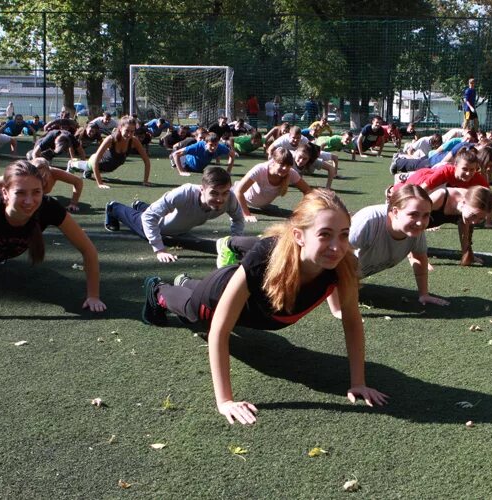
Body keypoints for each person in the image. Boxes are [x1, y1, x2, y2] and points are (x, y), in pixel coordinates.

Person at [141, 188, 388, 424]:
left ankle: (186, 282)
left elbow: (352, 322)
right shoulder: (265, 257)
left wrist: (359, 383)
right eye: (325, 234)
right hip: (218, 294)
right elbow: (219, 330)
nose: (337, 246)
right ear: (299, 236)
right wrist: (225, 401)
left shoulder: (343, 264)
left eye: (344, 234)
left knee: (198, 293)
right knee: (193, 313)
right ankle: (159, 290)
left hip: (256, 310)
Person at [0, 160, 106, 323]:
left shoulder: (49, 207)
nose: (29, 201)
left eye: (36, 192)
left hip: (5, 248)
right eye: (20, 193)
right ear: (5, 193)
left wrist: (93, 296)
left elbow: (88, 249)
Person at [325, 184, 449, 318]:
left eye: (426, 215)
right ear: (395, 212)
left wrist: (423, 294)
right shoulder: (369, 221)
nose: (420, 222)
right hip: (314, 276)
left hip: (347, 282)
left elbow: (419, 258)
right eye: (413, 214)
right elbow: (330, 261)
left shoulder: (414, 230)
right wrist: (337, 310)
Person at [104, 166, 244, 262]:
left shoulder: (230, 198)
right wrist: (159, 249)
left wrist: (235, 243)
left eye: (225, 193)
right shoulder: (184, 194)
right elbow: (149, 217)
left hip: (176, 222)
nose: (220, 199)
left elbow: (238, 219)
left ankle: (139, 205)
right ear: (202, 189)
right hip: (161, 225)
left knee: (161, 216)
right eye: (214, 193)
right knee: (144, 224)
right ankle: (113, 208)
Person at [66, 115, 152, 189]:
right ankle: (72, 164)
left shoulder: (134, 140)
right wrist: (100, 183)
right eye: (127, 131)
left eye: (132, 131)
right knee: (87, 166)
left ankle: (88, 172)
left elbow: (146, 161)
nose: (129, 134)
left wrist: (145, 181)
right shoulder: (110, 139)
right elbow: (96, 161)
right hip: (94, 162)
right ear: (120, 128)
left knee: (95, 169)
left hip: (107, 168)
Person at [233, 147, 311, 223]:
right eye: (282, 164)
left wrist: (305, 209)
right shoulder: (260, 169)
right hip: (240, 197)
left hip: (261, 203)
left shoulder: (291, 172)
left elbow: (308, 191)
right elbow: (238, 191)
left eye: (288, 165)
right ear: (273, 162)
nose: (285, 168)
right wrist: (246, 215)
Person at [425, 185, 492, 266]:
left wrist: (468, 254)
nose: (474, 222)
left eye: (481, 219)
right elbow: (414, 220)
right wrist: (419, 258)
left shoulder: (467, 210)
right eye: (473, 215)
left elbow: (465, 235)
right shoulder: (441, 196)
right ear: (463, 202)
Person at [0, 158, 83, 213]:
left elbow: (78, 182)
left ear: (49, 171)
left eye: (44, 176)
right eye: (37, 176)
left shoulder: (54, 172)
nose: (41, 179)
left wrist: (73, 203)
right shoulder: (23, 174)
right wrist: (3, 201)